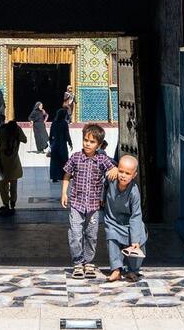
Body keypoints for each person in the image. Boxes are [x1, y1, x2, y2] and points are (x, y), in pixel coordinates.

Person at [61, 124, 119, 279]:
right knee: (75, 234)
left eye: (92, 142)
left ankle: (88, 262)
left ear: (99, 145)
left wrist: (114, 169)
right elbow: (67, 175)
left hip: (93, 205)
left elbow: (114, 168)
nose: (87, 144)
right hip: (76, 203)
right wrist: (64, 193)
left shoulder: (102, 159)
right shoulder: (75, 157)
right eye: (86, 140)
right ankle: (78, 262)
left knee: (91, 235)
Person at [103, 155, 147, 282]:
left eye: (127, 173)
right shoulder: (111, 179)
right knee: (112, 237)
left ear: (134, 175)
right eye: (121, 171)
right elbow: (101, 158)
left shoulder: (134, 191)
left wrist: (135, 239)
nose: (123, 175)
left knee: (139, 240)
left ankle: (133, 270)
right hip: (113, 220)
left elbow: (136, 215)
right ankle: (116, 269)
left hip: (129, 222)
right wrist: (112, 168)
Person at [0, 120, 27, 216]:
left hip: (2, 164)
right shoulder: (16, 132)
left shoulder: (1, 131)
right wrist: (18, 129)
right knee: (13, 185)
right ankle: (13, 202)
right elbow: (24, 139)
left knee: (3, 186)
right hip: (13, 164)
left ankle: (6, 204)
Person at [49, 108, 73, 183]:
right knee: (64, 160)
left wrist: (51, 144)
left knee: (54, 161)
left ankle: (54, 177)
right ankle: (64, 176)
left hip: (55, 144)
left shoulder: (54, 123)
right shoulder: (64, 123)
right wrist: (70, 143)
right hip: (62, 145)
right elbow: (66, 134)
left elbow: (51, 134)